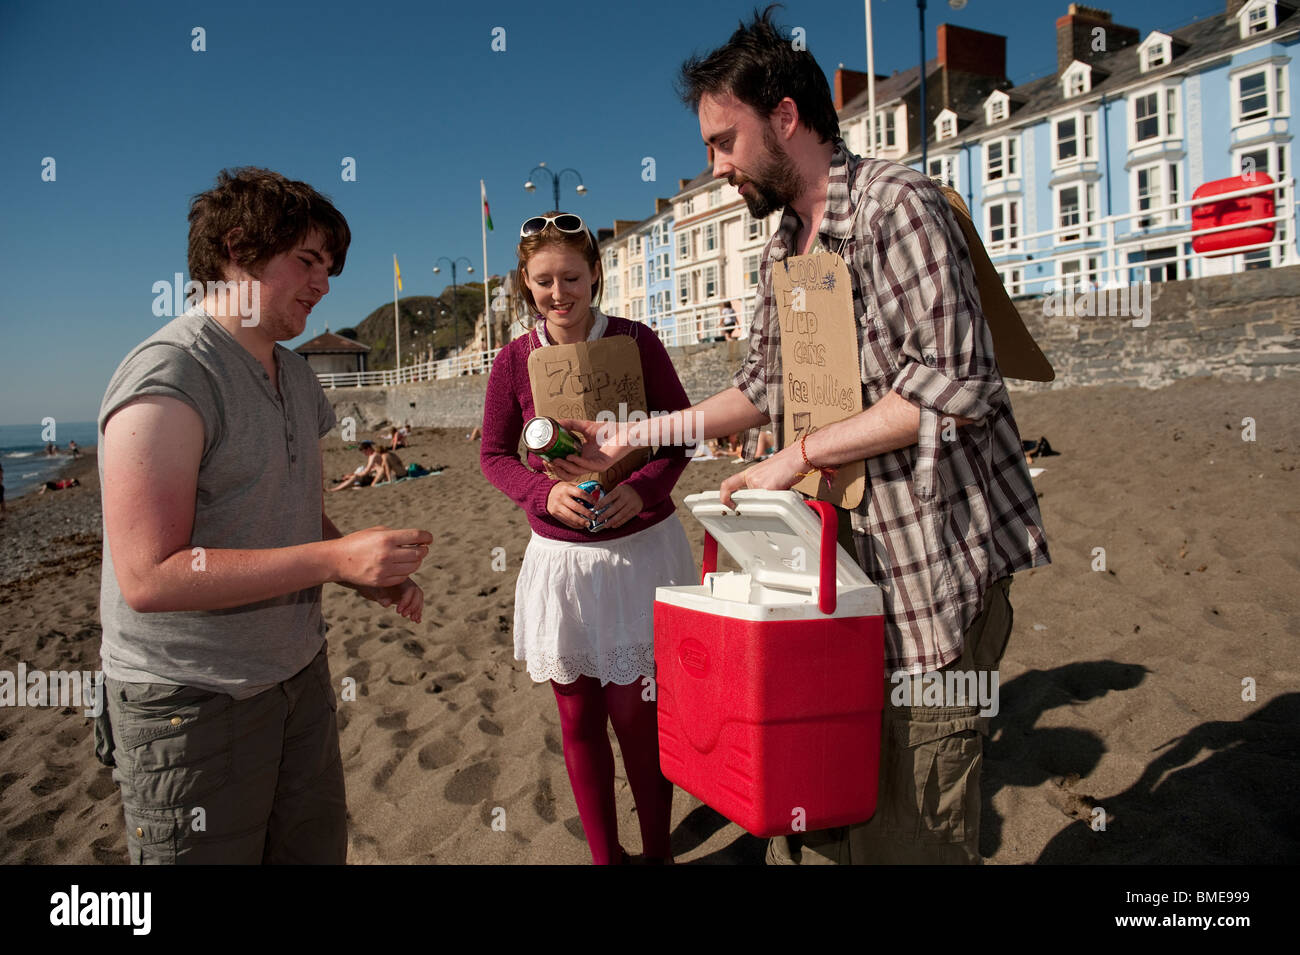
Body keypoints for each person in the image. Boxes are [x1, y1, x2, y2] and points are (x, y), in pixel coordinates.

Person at [555, 7, 1050, 865]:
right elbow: (762, 387)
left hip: (932, 555)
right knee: (827, 785)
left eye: (723, 141)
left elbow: (956, 382)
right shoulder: (788, 245)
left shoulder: (901, 205)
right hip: (836, 555)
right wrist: (635, 433)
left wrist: (801, 453)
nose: (713, 167)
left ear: (784, 117)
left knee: (916, 816)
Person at [97, 167, 433, 865]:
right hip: (188, 700)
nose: (324, 283)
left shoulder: (298, 374)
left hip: (298, 676)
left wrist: (361, 575)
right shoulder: (171, 373)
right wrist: (334, 561)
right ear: (237, 249)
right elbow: (149, 577)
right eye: (306, 260)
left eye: (330, 268)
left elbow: (294, 512)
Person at [480, 212, 696, 864]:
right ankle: (607, 858)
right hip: (562, 561)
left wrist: (645, 488)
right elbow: (495, 453)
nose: (558, 293)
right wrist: (541, 493)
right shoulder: (515, 359)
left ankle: (656, 852)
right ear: (525, 282)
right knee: (577, 718)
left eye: (570, 276)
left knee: (635, 714)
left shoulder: (636, 340)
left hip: (639, 553)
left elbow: (682, 432)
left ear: (595, 272)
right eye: (543, 280)